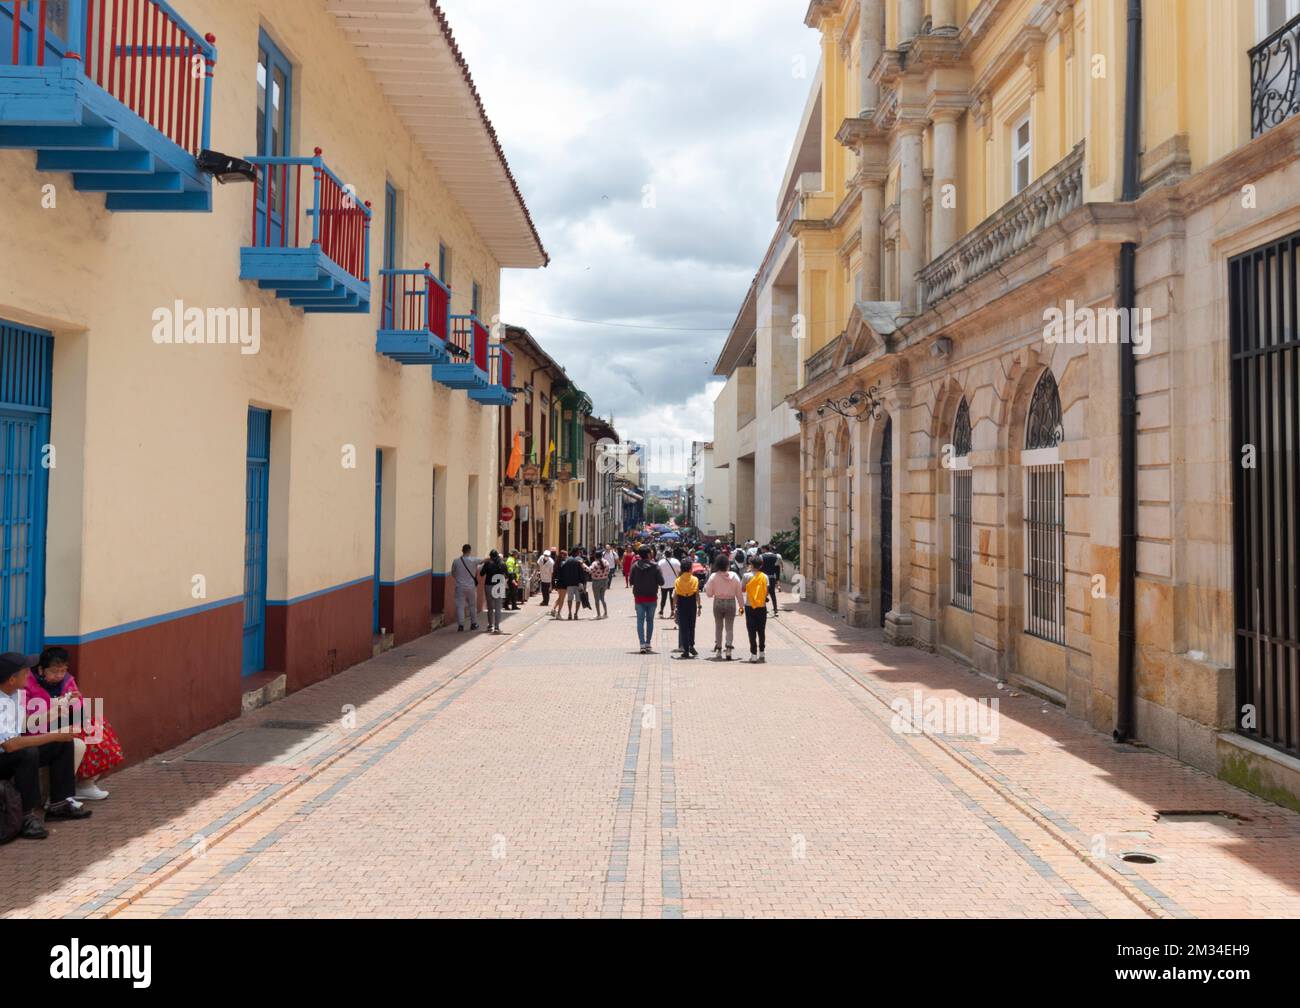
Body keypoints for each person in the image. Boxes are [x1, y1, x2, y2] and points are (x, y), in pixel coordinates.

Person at [0, 652, 93, 839]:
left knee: (63, 744)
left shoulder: (15, 694)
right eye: (25, 672)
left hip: (9, 753)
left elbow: (23, 724)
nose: (29, 675)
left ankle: (59, 804)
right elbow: (10, 745)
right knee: (29, 754)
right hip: (5, 755)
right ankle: (26, 816)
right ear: (11, 679)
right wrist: (55, 735)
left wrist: (56, 711)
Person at [26, 646, 123, 801]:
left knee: (97, 730)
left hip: (62, 722)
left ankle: (86, 784)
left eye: (62, 671)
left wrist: (75, 702)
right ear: (41, 670)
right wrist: (53, 708)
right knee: (76, 743)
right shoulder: (27, 684)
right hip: (38, 729)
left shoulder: (67, 681)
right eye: (53, 671)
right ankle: (60, 796)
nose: (59, 676)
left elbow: (79, 712)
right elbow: (28, 720)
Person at [704, 554, 743, 660]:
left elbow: (708, 594)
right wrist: (741, 607)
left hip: (718, 603)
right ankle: (729, 649)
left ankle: (718, 650)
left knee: (718, 627)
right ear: (727, 565)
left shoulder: (713, 576)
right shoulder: (735, 576)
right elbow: (739, 594)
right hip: (731, 603)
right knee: (729, 627)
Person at [629, 546, 664, 654]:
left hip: (639, 597)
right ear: (649, 554)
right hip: (652, 597)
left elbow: (631, 581)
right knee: (650, 620)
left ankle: (642, 644)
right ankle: (648, 643)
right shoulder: (656, 567)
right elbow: (661, 582)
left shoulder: (635, 566)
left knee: (640, 620)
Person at [671, 560, 702, 659]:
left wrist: (673, 607)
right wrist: (699, 606)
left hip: (681, 604)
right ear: (690, 568)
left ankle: (686, 650)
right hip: (692, 604)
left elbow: (675, 596)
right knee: (691, 626)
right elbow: (697, 594)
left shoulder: (678, 580)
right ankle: (691, 645)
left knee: (683, 628)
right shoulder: (695, 579)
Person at [742, 556, 769, 663]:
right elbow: (766, 592)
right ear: (761, 565)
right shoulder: (764, 576)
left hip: (750, 606)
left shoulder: (746, 576)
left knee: (751, 631)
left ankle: (753, 654)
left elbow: (743, 589)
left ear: (751, 565)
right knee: (761, 630)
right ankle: (762, 652)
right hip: (762, 606)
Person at [479, 550, 509, 634]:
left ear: (490, 556)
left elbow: (481, 574)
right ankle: (497, 627)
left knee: (490, 607)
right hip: (499, 586)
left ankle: (490, 625)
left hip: (488, 585)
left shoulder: (488, 563)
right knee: (498, 608)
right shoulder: (503, 564)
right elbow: (507, 574)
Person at [453, 544, 480, 631]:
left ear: (462, 550)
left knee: (460, 606)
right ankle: (473, 624)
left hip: (460, 587)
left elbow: (453, 573)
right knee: (472, 606)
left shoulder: (456, 561)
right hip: (471, 587)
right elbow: (484, 560)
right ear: (469, 550)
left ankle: (461, 625)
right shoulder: (474, 560)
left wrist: (459, 578)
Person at [760, 544, 783, 617]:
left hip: (763, 577)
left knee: (763, 593)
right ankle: (775, 610)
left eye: (762, 549)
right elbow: (777, 566)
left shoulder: (761, 556)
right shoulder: (777, 556)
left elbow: (760, 566)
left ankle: (764, 609)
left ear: (765, 549)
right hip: (772, 577)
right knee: (772, 593)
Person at [656, 550, 680, 618]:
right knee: (672, 598)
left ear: (665, 555)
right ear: (671, 554)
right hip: (674, 583)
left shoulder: (661, 562)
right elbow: (680, 571)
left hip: (664, 583)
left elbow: (658, 572)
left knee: (663, 598)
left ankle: (661, 612)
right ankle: (672, 612)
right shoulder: (676, 561)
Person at [550, 549, 570, 619]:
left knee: (560, 597)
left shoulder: (557, 563)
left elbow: (554, 574)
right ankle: (558, 614)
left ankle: (553, 609)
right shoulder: (564, 563)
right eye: (566, 555)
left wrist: (553, 584)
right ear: (564, 556)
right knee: (562, 599)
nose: (567, 557)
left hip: (558, 582)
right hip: (564, 582)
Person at [589, 553, 610, 618]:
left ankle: (598, 614)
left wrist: (582, 564)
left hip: (596, 582)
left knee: (597, 599)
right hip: (604, 581)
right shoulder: (606, 562)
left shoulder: (594, 563)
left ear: (595, 556)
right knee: (602, 598)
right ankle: (605, 613)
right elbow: (608, 571)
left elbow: (589, 570)